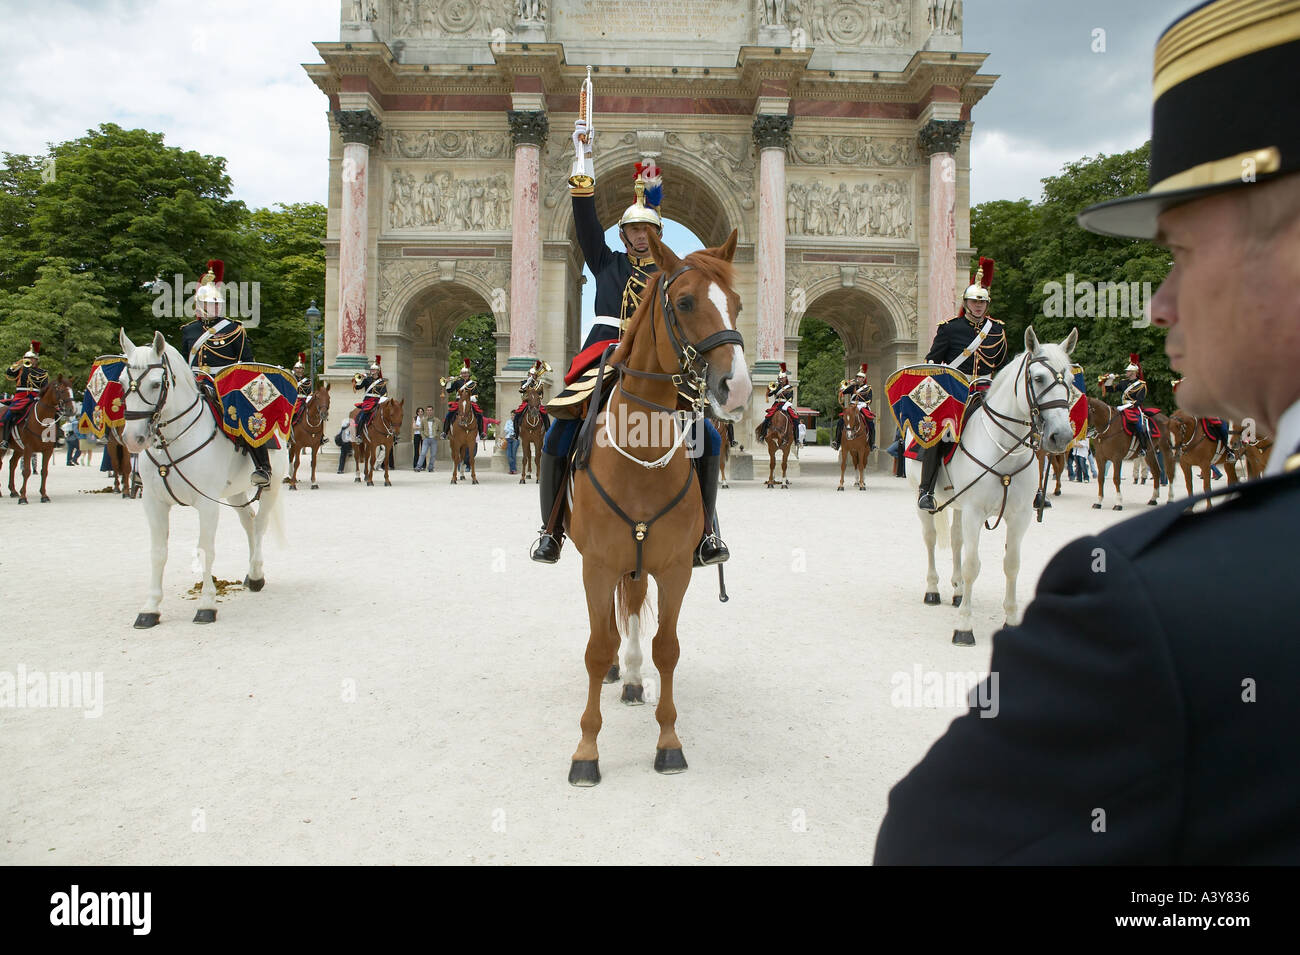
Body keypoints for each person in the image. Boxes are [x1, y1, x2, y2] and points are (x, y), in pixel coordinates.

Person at [875, 0, 1300, 864]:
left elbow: (928, 843)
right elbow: (928, 368)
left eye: (1177, 251)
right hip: (965, 394)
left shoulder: (1146, 609)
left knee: (1114, 418)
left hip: (1013, 393)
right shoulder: (960, 332)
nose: (1158, 302)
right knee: (944, 438)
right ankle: (933, 490)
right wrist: (951, 381)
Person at [531, 147, 729, 568]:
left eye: (647, 229)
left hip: (658, 365)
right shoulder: (606, 263)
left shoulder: (670, 275)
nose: (641, 235)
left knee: (708, 438)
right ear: (623, 236)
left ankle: (707, 532)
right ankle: (551, 531)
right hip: (606, 357)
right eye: (634, 230)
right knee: (556, 435)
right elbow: (586, 228)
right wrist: (582, 183)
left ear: (657, 236)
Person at [915, 257, 1008, 511]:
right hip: (957, 391)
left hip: (988, 389)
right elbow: (932, 361)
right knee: (938, 431)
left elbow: (1001, 363)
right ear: (966, 303)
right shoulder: (950, 329)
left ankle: (1032, 488)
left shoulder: (997, 330)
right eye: (974, 301)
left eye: (982, 302)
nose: (978, 306)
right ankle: (927, 490)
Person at [179, 260, 272, 486]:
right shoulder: (188, 330)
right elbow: (183, 362)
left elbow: (248, 363)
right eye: (209, 304)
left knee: (246, 414)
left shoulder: (233, 329)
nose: (214, 308)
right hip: (194, 382)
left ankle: (263, 467)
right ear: (199, 305)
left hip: (225, 383)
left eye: (216, 304)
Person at [1100, 353, 1155, 456]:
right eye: (1127, 371)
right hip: (1122, 408)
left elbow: (1139, 401)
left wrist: (1126, 406)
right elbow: (1109, 389)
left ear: (1134, 372)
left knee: (1139, 425)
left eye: (1128, 371)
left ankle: (1143, 448)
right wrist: (1110, 380)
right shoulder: (1123, 383)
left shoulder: (1141, 385)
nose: (1126, 372)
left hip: (1134, 408)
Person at [1, 341, 49, 450]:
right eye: (27, 358)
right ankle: (5, 440)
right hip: (20, 398)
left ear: (36, 360)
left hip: (36, 398)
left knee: (51, 414)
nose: (30, 360)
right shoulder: (20, 370)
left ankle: (50, 439)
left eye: (32, 358)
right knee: (8, 415)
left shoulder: (43, 373)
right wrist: (19, 363)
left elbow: (45, 387)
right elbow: (9, 373)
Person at [832, 363, 875, 450]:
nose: (858, 378)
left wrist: (862, 405)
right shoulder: (853, 387)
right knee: (841, 421)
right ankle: (837, 442)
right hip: (852, 406)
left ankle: (871, 443)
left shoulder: (868, 388)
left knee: (871, 423)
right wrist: (844, 386)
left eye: (860, 377)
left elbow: (869, 400)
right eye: (857, 377)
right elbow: (843, 392)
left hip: (862, 406)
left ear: (863, 379)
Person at [441, 359, 486, 441]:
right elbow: (449, 391)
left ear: (469, 374)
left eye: (466, 373)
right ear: (461, 374)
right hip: (459, 401)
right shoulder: (457, 382)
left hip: (469, 402)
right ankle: (444, 432)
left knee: (479, 415)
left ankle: (481, 432)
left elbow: (476, 395)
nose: (465, 375)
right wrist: (449, 382)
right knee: (449, 414)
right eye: (463, 373)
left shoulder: (473, 383)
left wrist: (469, 399)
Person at [755, 364, 798, 444]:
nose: (781, 379)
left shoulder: (789, 388)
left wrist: (785, 406)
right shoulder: (777, 387)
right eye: (780, 378)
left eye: (783, 378)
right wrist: (771, 388)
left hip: (786, 405)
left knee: (795, 420)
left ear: (786, 378)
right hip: (776, 405)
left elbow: (790, 399)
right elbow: (770, 395)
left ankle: (797, 439)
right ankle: (763, 435)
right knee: (767, 418)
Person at [511, 360, 551, 437]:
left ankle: (548, 431)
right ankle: (515, 433)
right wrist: (527, 383)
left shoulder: (539, 384)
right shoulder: (524, 382)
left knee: (545, 414)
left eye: (534, 375)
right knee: (517, 415)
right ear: (528, 375)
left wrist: (536, 395)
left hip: (536, 403)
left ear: (536, 376)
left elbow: (541, 395)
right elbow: (521, 390)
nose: (532, 376)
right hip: (526, 402)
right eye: (531, 374)